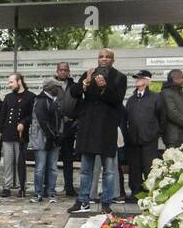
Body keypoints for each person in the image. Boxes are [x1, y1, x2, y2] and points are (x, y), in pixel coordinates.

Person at [67, 48, 127, 215]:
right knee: (86, 169)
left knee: (108, 170)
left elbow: (117, 101)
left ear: (112, 60)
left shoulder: (120, 77)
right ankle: (83, 201)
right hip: (88, 128)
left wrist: (104, 87)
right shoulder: (89, 73)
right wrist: (85, 83)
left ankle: (106, 202)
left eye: (108, 57)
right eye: (101, 56)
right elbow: (74, 93)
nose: (104, 59)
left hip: (107, 129)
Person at [123, 69, 163, 201]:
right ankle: (135, 194)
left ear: (147, 81)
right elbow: (127, 118)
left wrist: (154, 133)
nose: (137, 80)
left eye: (140, 78)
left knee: (149, 168)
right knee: (134, 169)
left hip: (149, 140)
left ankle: (150, 194)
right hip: (133, 140)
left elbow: (162, 118)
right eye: (136, 78)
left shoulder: (156, 98)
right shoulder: (132, 100)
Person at [28, 79, 63, 202]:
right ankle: (38, 193)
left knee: (53, 167)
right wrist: (53, 135)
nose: (58, 90)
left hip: (54, 140)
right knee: (40, 168)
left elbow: (60, 120)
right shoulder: (41, 101)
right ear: (50, 88)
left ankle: (51, 192)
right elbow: (42, 121)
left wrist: (59, 134)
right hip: (42, 140)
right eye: (56, 87)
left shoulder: (55, 101)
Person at [54, 61, 77, 196]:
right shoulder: (51, 85)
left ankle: (69, 187)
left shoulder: (74, 86)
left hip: (69, 126)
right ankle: (49, 187)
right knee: (52, 158)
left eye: (65, 70)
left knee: (68, 159)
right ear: (57, 71)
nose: (63, 72)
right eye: (61, 70)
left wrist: (75, 120)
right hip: (55, 127)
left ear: (69, 71)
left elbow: (79, 104)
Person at [160, 69, 183, 148]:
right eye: (182, 77)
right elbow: (172, 113)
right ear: (174, 78)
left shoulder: (180, 92)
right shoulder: (166, 93)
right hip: (173, 138)